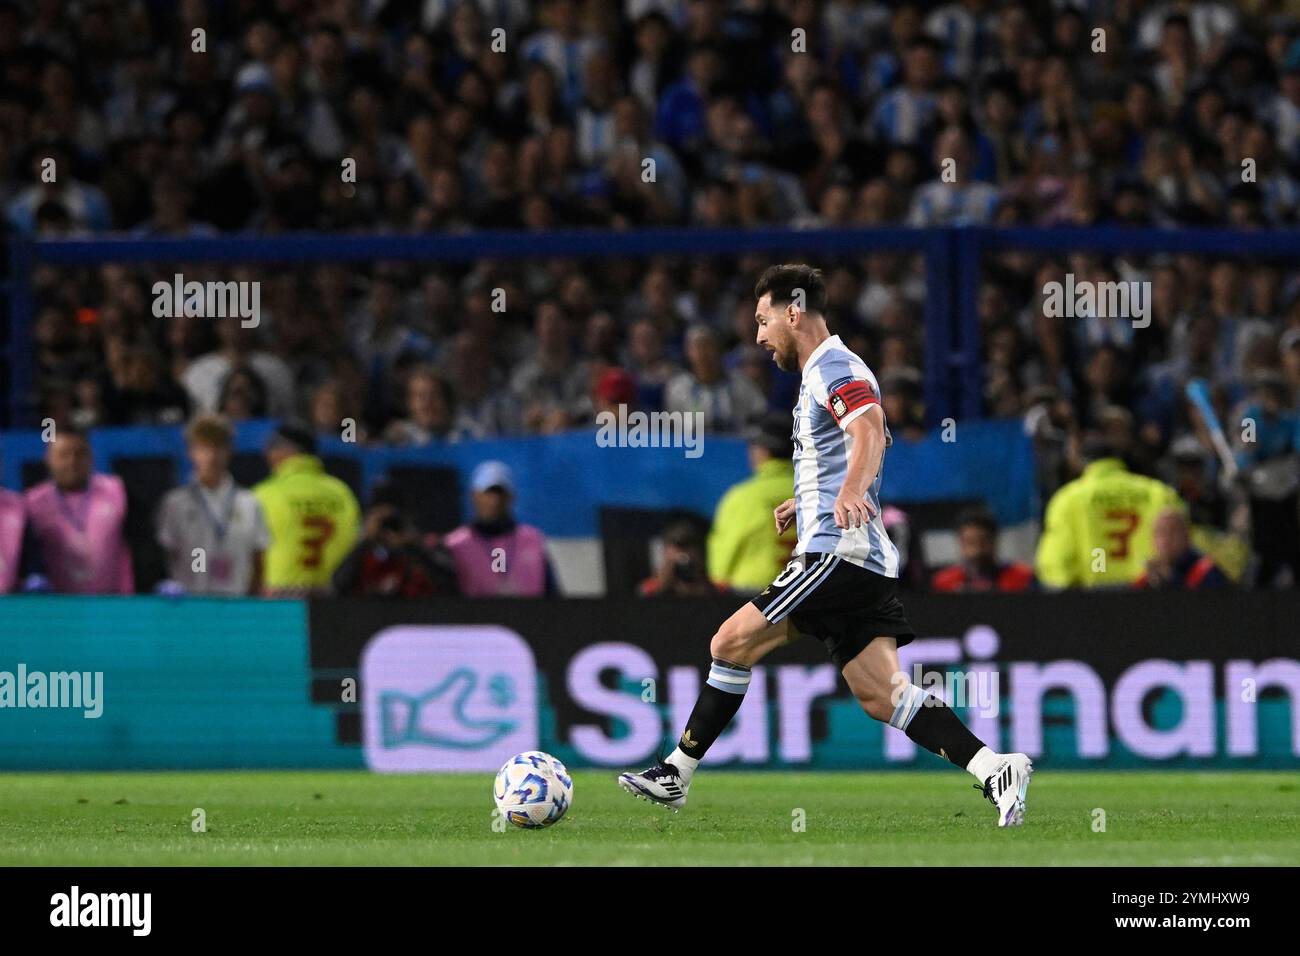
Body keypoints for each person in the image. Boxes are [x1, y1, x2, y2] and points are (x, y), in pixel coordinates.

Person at [619, 264, 1033, 827]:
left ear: (793, 312)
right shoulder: (826, 371)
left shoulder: (830, 365)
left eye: (764, 321)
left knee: (730, 642)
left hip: (835, 555)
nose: (759, 337)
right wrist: (811, 497)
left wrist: (850, 491)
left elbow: (867, 425)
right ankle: (993, 768)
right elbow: (857, 439)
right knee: (882, 694)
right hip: (855, 556)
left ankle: (676, 772)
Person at [1035, 436, 1184, 589]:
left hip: (1096, 591)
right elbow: (1182, 544)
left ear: (1082, 461)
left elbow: (1057, 561)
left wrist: (1067, 590)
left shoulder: (1069, 498)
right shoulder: (1158, 492)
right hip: (1148, 587)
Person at [155, 415, 268, 595]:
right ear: (191, 452)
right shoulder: (175, 504)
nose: (212, 456)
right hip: (192, 604)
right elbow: (168, 556)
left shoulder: (249, 503)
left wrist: (252, 604)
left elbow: (259, 561)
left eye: (218, 447)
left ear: (229, 450)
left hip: (237, 603)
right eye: (204, 448)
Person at [252, 422, 360, 596]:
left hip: (280, 594)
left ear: (288, 451)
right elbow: (353, 543)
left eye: (273, 446)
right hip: (333, 597)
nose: (267, 453)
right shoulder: (341, 492)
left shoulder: (265, 494)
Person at [24, 425, 134, 594]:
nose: (72, 462)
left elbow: (140, 544)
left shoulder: (117, 491)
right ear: (48, 459)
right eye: (63, 455)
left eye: (80, 453)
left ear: (91, 456)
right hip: (60, 607)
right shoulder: (33, 502)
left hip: (114, 603)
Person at [707, 412, 797, 591]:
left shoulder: (743, 497)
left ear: (761, 451)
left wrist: (718, 579)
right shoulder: (812, 492)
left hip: (752, 595)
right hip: (804, 593)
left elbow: (721, 562)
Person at [442, 461, 557, 597]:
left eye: (501, 494)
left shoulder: (533, 540)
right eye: (488, 493)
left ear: (511, 498)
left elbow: (553, 596)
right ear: (474, 496)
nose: (494, 501)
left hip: (528, 616)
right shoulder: (456, 544)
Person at [331, 487, 459, 597]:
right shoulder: (363, 553)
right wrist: (365, 542)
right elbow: (339, 586)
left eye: (392, 521)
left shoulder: (424, 546)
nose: (387, 528)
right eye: (382, 522)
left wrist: (412, 546)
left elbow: (450, 584)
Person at [930, 506, 1035, 592]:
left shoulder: (1021, 578)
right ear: (960, 543)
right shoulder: (944, 583)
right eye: (970, 542)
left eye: (983, 541)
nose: (977, 550)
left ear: (995, 541)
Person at [1133, 508, 1231, 590]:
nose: (1166, 539)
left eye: (1172, 531)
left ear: (1186, 536)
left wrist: (1170, 580)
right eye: (1160, 532)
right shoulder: (1148, 577)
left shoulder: (1206, 572)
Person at [639, 519, 729, 597]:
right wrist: (663, 584)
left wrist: (703, 583)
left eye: (688, 546)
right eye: (677, 547)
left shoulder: (718, 587)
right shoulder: (650, 588)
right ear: (665, 552)